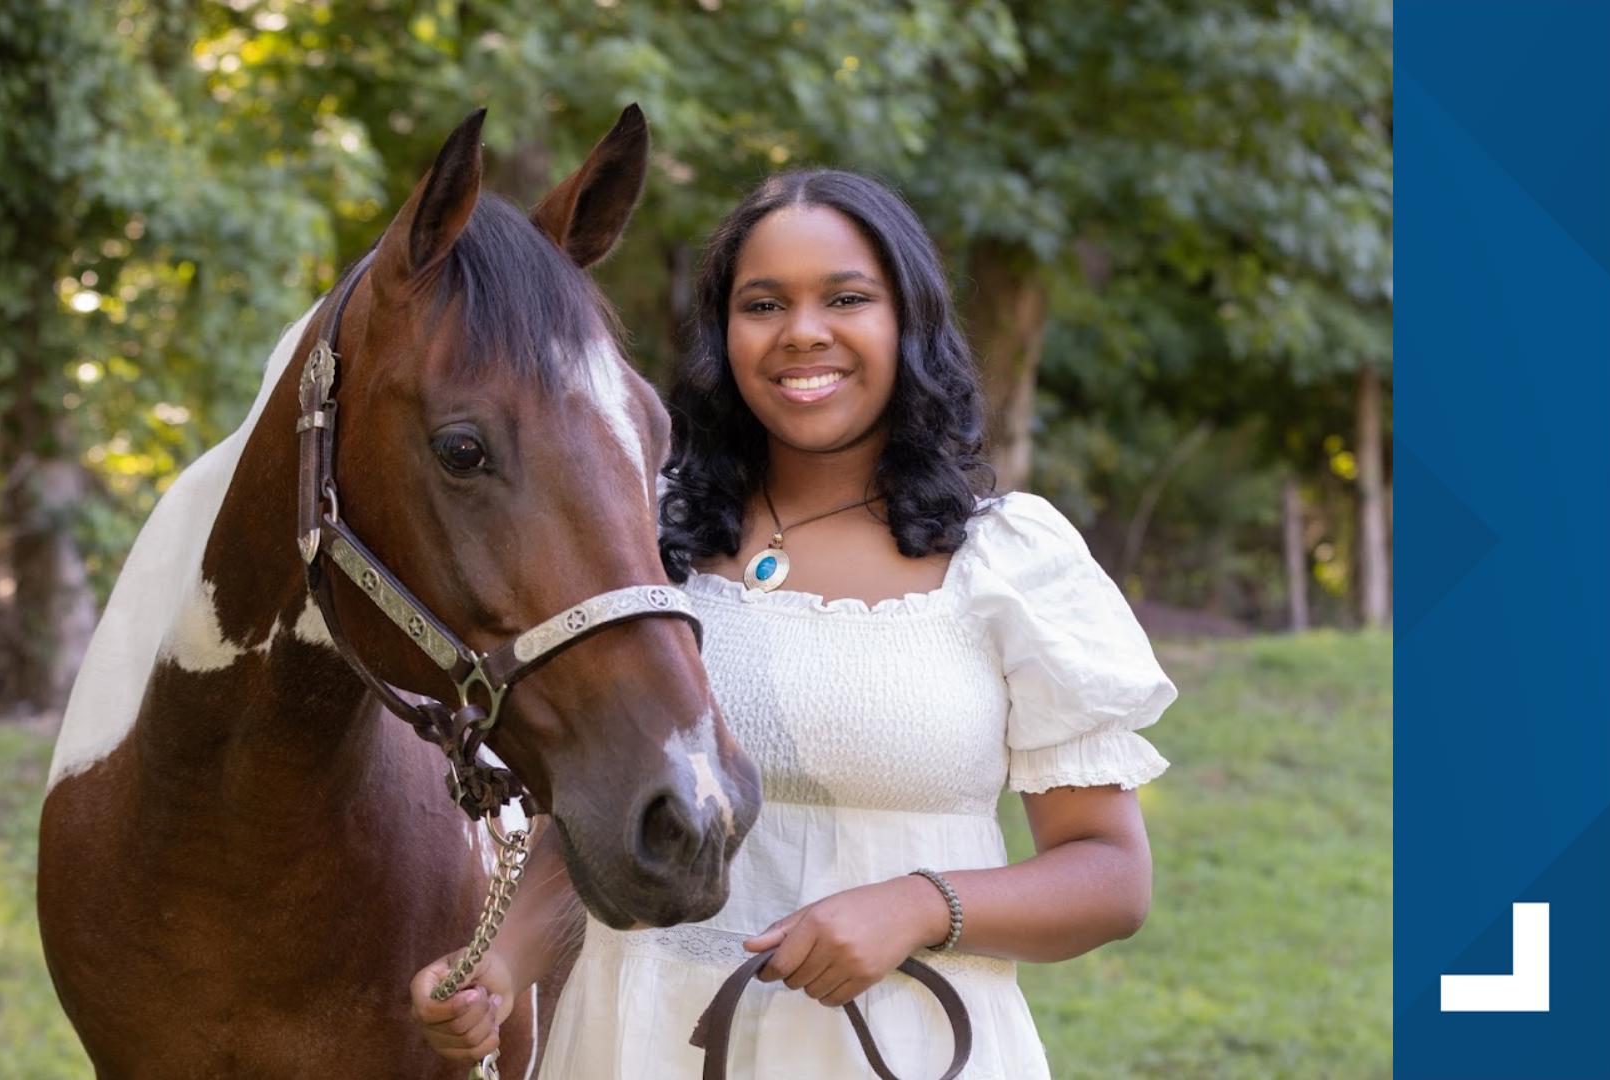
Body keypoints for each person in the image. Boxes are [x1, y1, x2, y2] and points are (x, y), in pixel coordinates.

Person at [409, 169, 1177, 1078]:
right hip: (636, 1044)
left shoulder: (1012, 560)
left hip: (895, 1049)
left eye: (847, 298)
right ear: (724, 332)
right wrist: (504, 968)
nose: (802, 332)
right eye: (763, 303)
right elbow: (594, 823)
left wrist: (922, 906)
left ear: (907, 321)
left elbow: (1111, 876)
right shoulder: (641, 539)